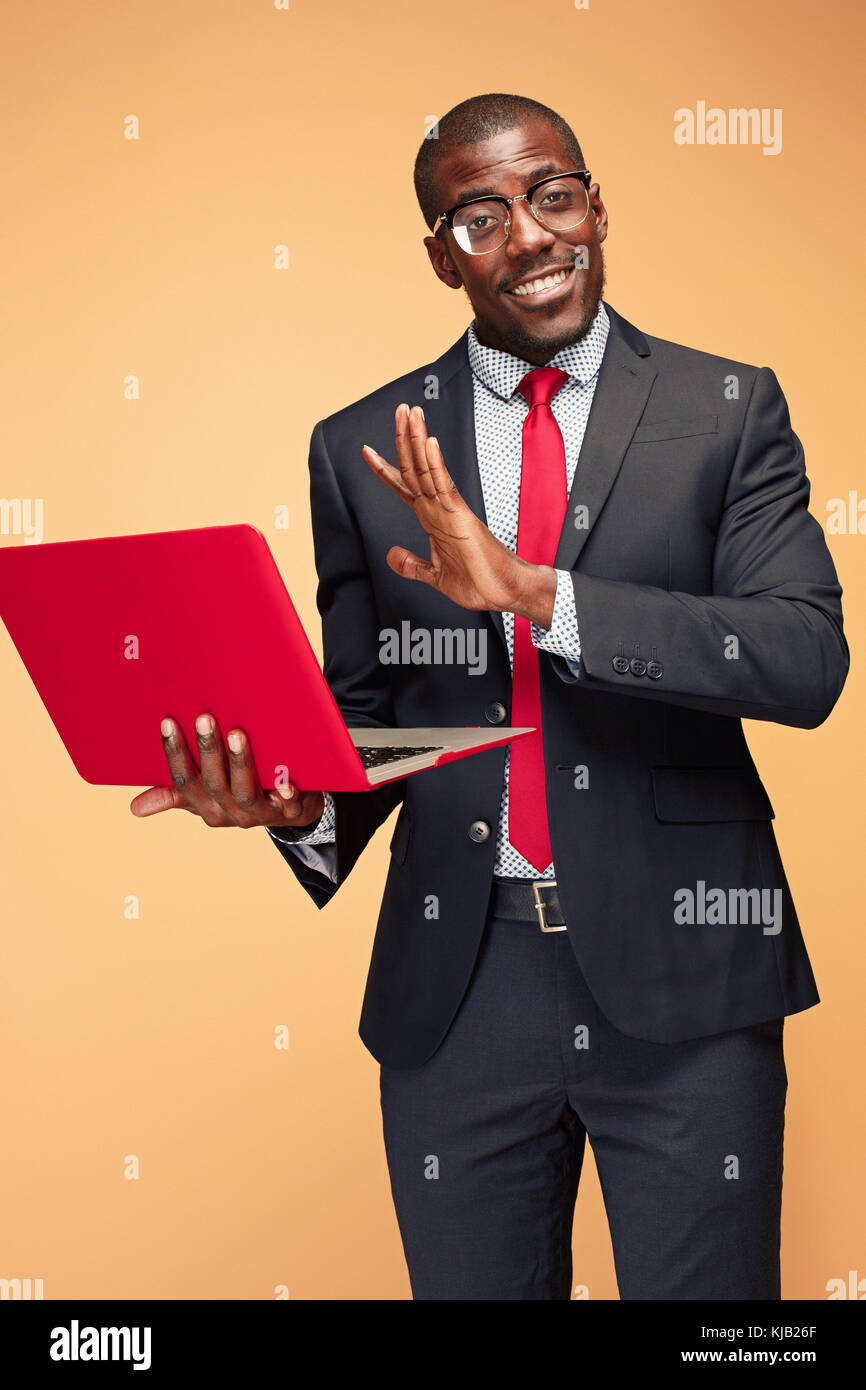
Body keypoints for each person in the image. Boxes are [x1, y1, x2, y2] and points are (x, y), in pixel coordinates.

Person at [131, 93, 849, 1300]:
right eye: (480, 216)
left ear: (595, 203)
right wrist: (293, 807)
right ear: (438, 255)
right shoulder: (361, 445)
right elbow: (368, 725)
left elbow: (799, 658)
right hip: (459, 992)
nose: (526, 237)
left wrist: (536, 593)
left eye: (550, 196)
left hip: (686, 978)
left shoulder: (724, 411)